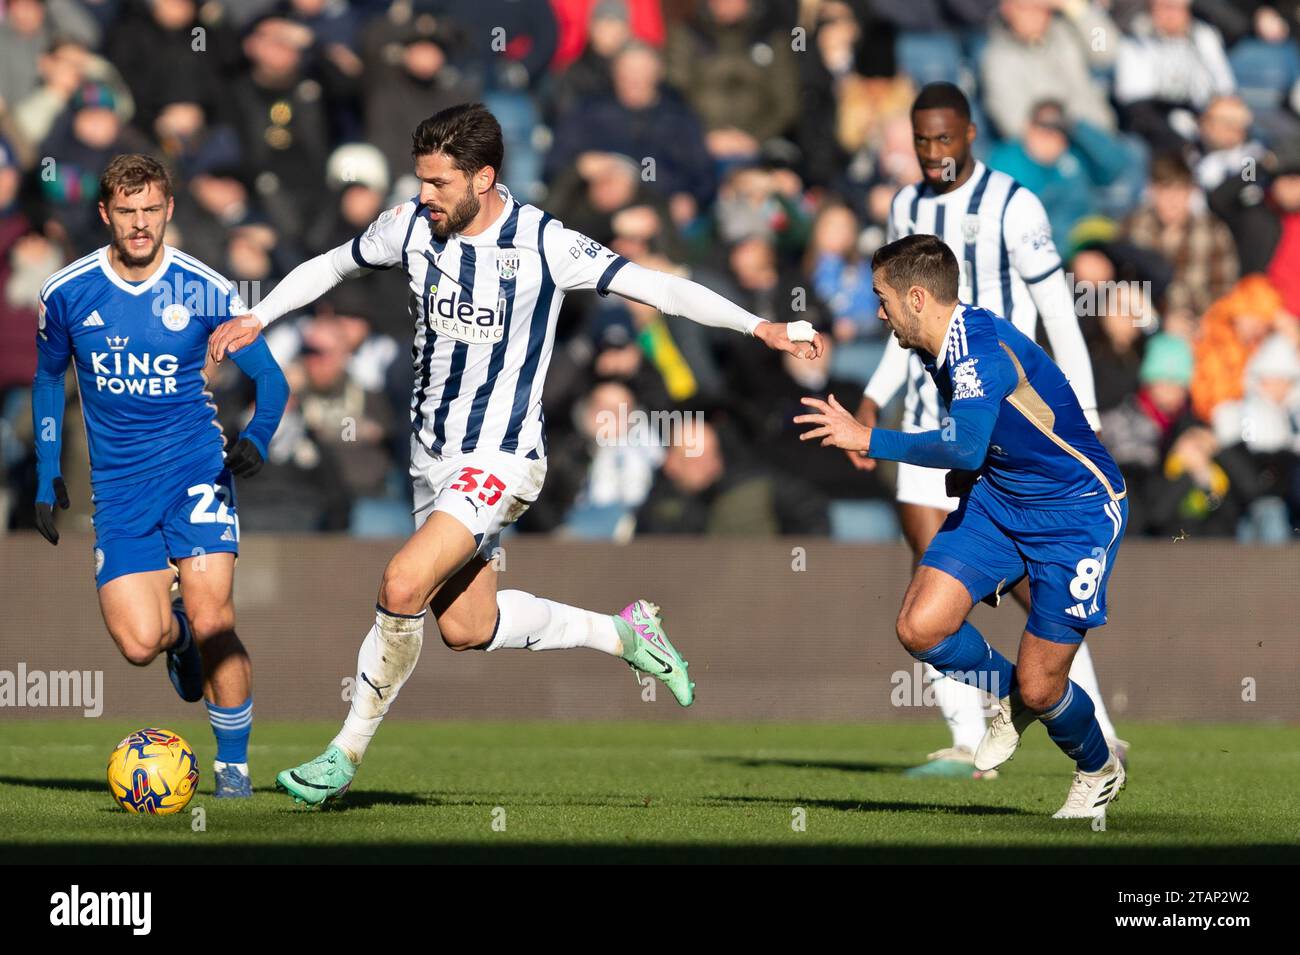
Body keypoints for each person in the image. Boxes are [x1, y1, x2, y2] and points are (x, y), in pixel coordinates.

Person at [205, 102, 824, 806]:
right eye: (421, 179)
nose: (425, 195)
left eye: (439, 183)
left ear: (484, 177)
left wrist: (760, 325)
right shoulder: (408, 226)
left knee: (402, 584)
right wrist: (259, 314)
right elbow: (331, 266)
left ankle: (342, 754)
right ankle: (623, 633)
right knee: (467, 628)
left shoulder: (544, 242)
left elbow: (657, 287)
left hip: (503, 457)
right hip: (430, 458)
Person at [797, 234, 1129, 819]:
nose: (879, 313)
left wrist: (867, 438)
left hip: (1075, 515)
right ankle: (1012, 697)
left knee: (1044, 687)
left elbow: (967, 443)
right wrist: (974, 473)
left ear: (916, 298)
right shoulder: (934, 344)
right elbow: (990, 440)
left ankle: (1098, 769)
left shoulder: (977, 350)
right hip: (998, 501)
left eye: (882, 298)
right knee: (921, 627)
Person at [850, 82, 1124, 778]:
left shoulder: (1013, 202)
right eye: (921, 140)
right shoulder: (905, 206)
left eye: (944, 138)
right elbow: (906, 322)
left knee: (1036, 587)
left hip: (1010, 420)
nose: (933, 152)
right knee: (929, 583)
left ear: (971, 134)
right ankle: (970, 732)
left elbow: (1057, 309)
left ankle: (1082, 714)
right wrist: (874, 399)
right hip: (930, 414)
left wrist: (1086, 416)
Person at [32, 153, 289, 798]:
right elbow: (46, 380)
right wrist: (46, 470)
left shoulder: (203, 289)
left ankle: (233, 771)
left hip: (196, 474)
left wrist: (256, 437)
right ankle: (179, 642)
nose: (140, 223)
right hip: (119, 492)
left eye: (151, 209)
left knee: (215, 617)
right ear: (105, 213)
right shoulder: (67, 292)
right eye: (127, 211)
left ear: (169, 208)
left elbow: (271, 378)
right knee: (140, 642)